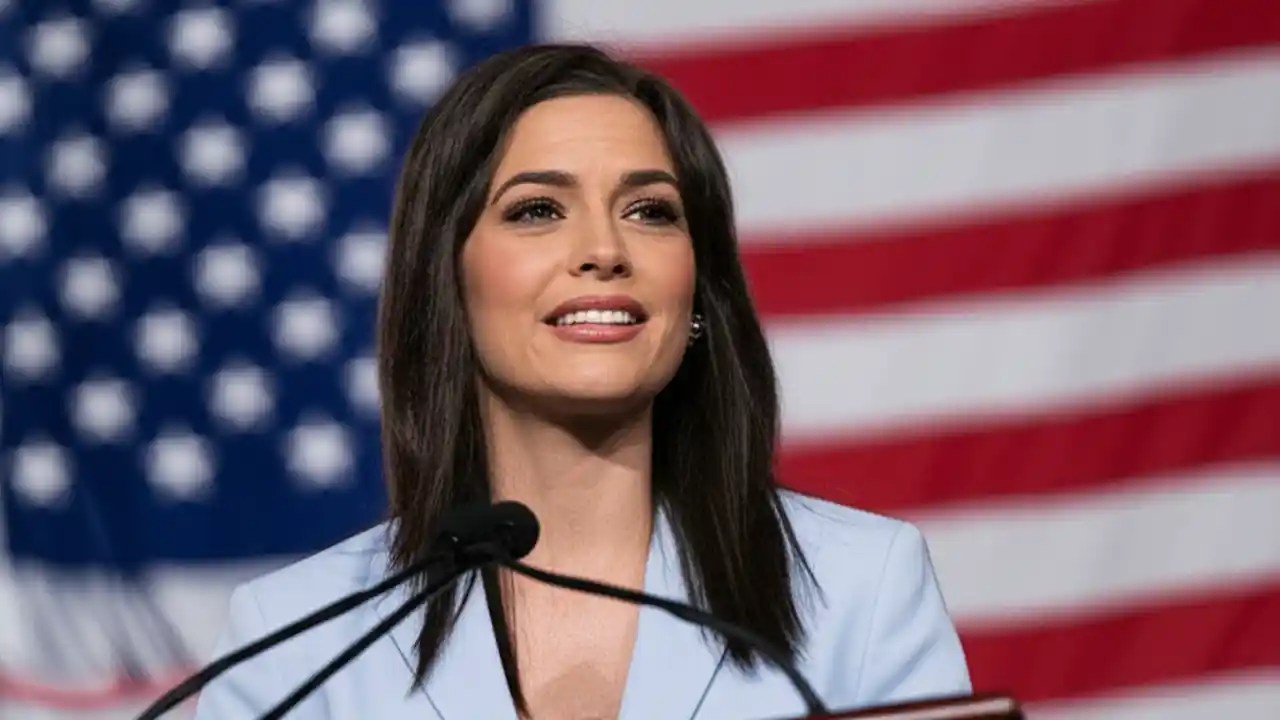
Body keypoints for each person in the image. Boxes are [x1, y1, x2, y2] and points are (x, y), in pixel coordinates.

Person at [193, 44, 970, 720]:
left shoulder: (862, 590)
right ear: (448, 284)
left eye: (650, 211)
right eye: (537, 209)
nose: (603, 248)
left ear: (697, 296)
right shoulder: (295, 639)